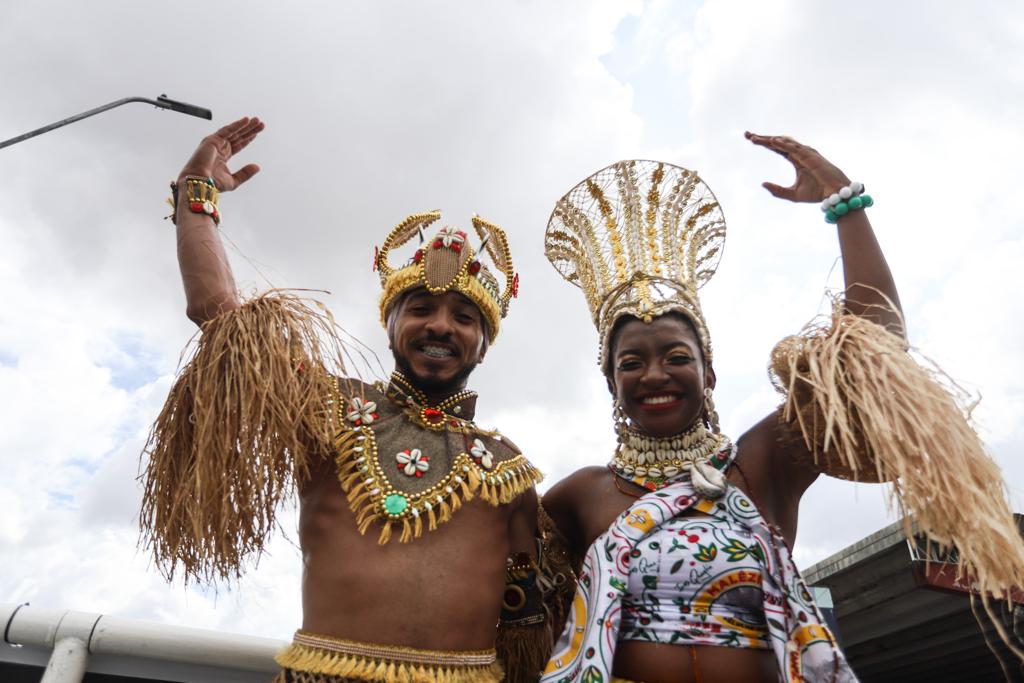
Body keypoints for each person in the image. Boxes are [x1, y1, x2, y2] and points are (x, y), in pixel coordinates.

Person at [540, 133, 1024, 682]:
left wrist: (845, 204)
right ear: (611, 381)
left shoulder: (763, 460)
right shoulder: (582, 494)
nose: (653, 375)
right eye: (630, 364)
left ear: (709, 373)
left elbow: (872, 352)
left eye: (676, 356)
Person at [139, 117, 553, 683]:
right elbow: (219, 316)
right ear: (390, 326)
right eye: (420, 310)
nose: (440, 326)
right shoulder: (326, 406)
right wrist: (196, 194)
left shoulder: (510, 470)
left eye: (464, 317)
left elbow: (528, 632)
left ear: (484, 346)